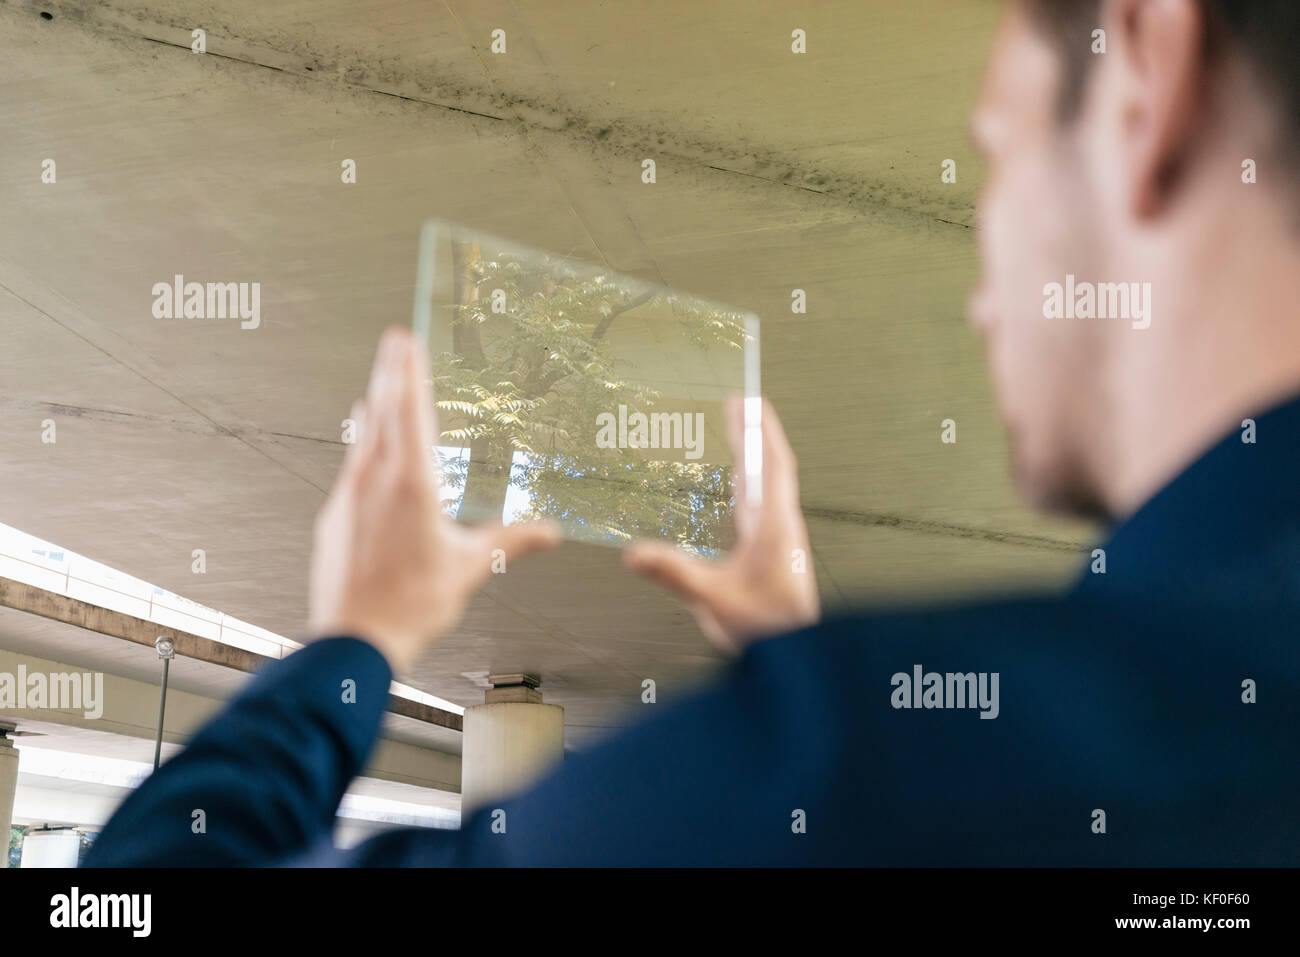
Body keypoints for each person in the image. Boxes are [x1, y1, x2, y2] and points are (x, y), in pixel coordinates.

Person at [86, 0, 1300, 866]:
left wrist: (356, 637)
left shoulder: (837, 777)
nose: (985, 285)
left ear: (1146, 67)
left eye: (995, 156)